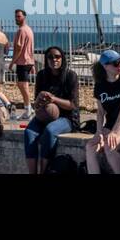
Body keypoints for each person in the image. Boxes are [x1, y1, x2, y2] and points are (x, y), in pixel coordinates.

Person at [25, 44, 80, 174]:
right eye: (50, 57)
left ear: (62, 58)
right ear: (46, 59)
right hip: (45, 115)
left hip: (67, 118)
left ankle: (43, 171)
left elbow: (73, 105)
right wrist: (39, 100)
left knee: (49, 132)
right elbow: (36, 104)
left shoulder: (70, 76)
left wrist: (54, 99)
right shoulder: (41, 75)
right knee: (29, 133)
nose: (54, 60)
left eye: (57, 57)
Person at [7, 9, 35, 118]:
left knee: (23, 86)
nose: (16, 18)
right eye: (16, 16)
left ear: (24, 17)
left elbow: (18, 48)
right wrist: (32, 63)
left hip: (23, 62)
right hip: (27, 61)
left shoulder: (21, 31)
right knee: (23, 85)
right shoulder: (29, 30)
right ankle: (29, 108)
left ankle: (28, 109)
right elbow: (30, 49)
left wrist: (12, 62)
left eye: (19, 16)